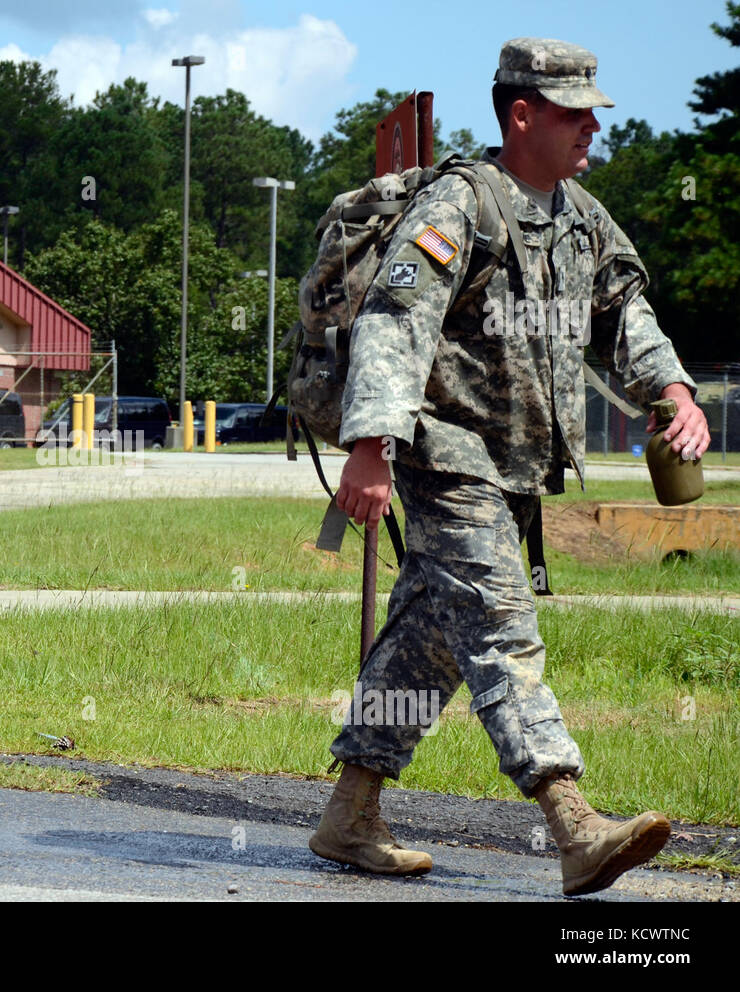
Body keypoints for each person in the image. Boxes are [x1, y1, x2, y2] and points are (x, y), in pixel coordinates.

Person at [310, 38, 710, 896]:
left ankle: (350, 813)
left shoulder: (581, 217)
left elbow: (623, 315)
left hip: (515, 464)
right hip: (444, 451)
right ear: (521, 114)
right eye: (573, 113)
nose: (590, 129)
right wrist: (372, 446)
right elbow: (395, 319)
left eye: (593, 114)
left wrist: (674, 393)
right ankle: (573, 823)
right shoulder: (461, 204)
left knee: (427, 643)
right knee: (498, 624)